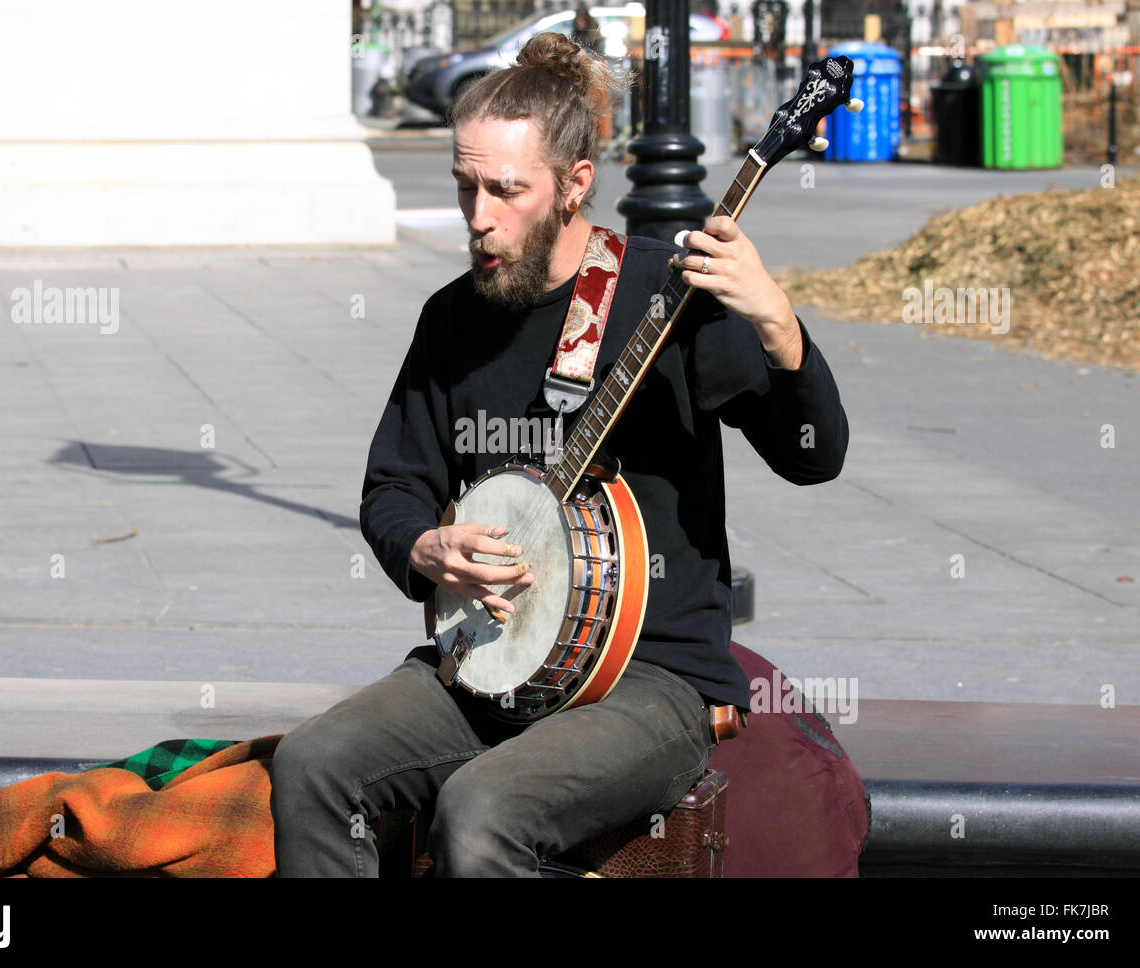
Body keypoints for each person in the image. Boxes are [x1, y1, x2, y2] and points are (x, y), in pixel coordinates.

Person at [269, 31, 848, 877]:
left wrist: (775, 321)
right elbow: (394, 485)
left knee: (483, 811)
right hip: (491, 661)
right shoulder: (451, 319)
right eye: (465, 186)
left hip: (651, 678)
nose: (478, 217)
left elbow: (814, 455)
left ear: (576, 185)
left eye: (507, 191)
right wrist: (427, 548)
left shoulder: (671, 296)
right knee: (314, 764)